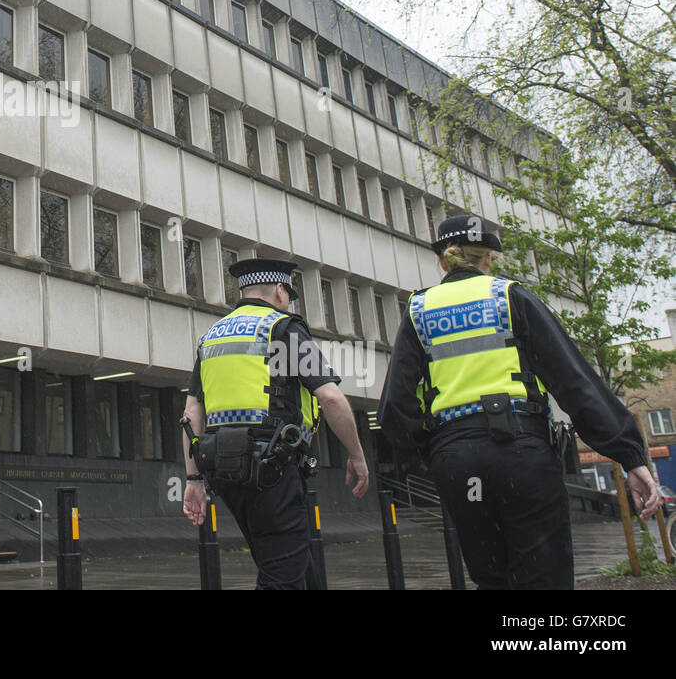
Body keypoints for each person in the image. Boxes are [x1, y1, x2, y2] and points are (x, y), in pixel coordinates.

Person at [379, 214, 662, 590]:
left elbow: (395, 408)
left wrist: (437, 451)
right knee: (543, 576)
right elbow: (573, 381)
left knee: (490, 576)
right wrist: (629, 455)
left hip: (461, 465)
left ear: (443, 260)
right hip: (521, 455)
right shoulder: (511, 297)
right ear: (489, 258)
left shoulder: (418, 310)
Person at [182, 257, 370, 589]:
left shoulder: (210, 337)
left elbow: (192, 411)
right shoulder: (282, 328)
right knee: (283, 572)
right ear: (281, 291)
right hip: (272, 467)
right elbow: (330, 397)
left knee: (290, 563)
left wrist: (193, 479)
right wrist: (356, 454)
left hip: (225, 470)